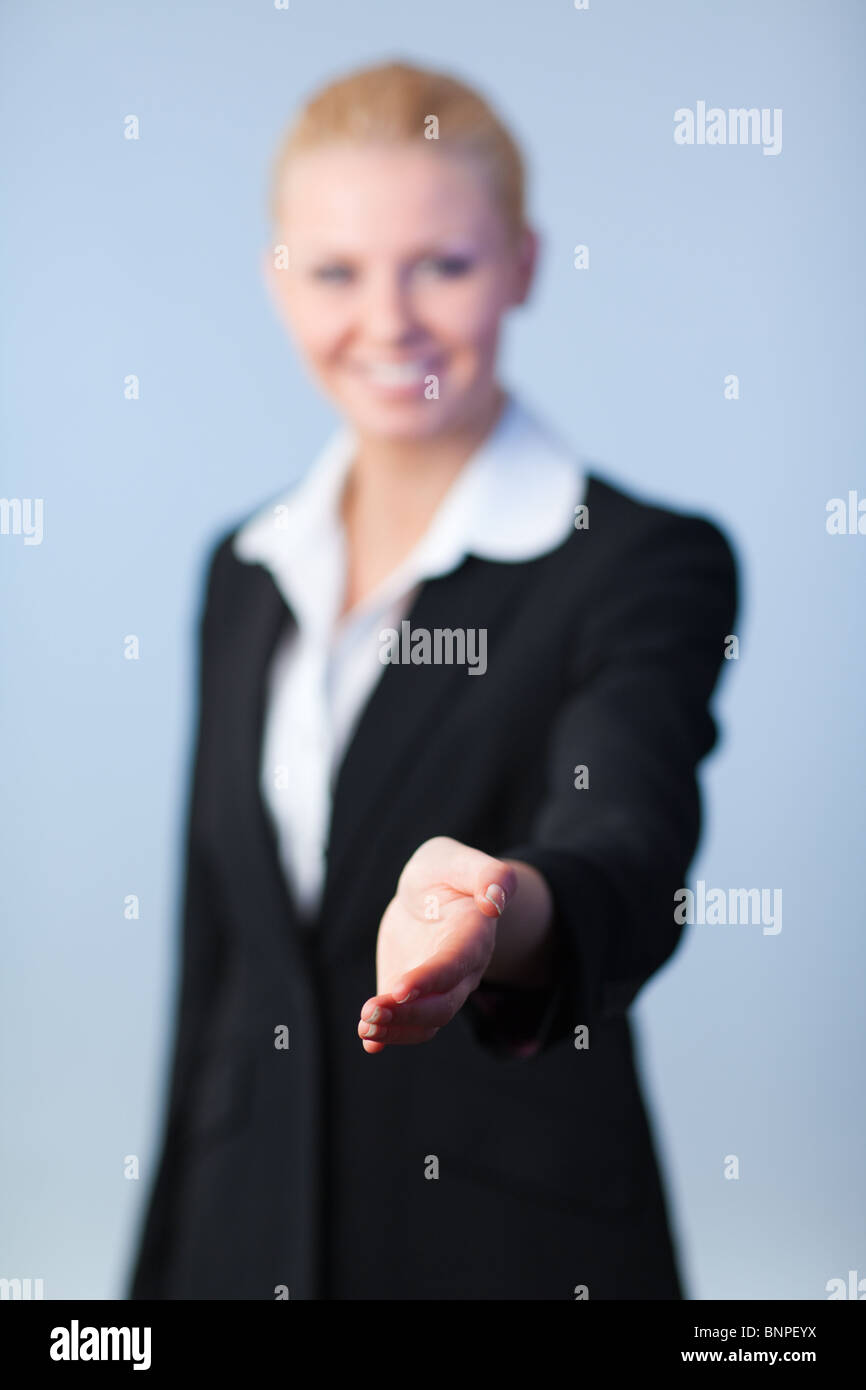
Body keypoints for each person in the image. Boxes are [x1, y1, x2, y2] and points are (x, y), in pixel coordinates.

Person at [127, 58, 737, 1301]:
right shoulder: (244, 572)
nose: (388, 320)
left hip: (513, 1251)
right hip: (241, 1243)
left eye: (442, 266)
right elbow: (218, 969)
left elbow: (624, 848)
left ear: (521, 264)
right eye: (337, 270)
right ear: (277, 281)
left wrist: (499, 911)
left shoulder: (633, 562)